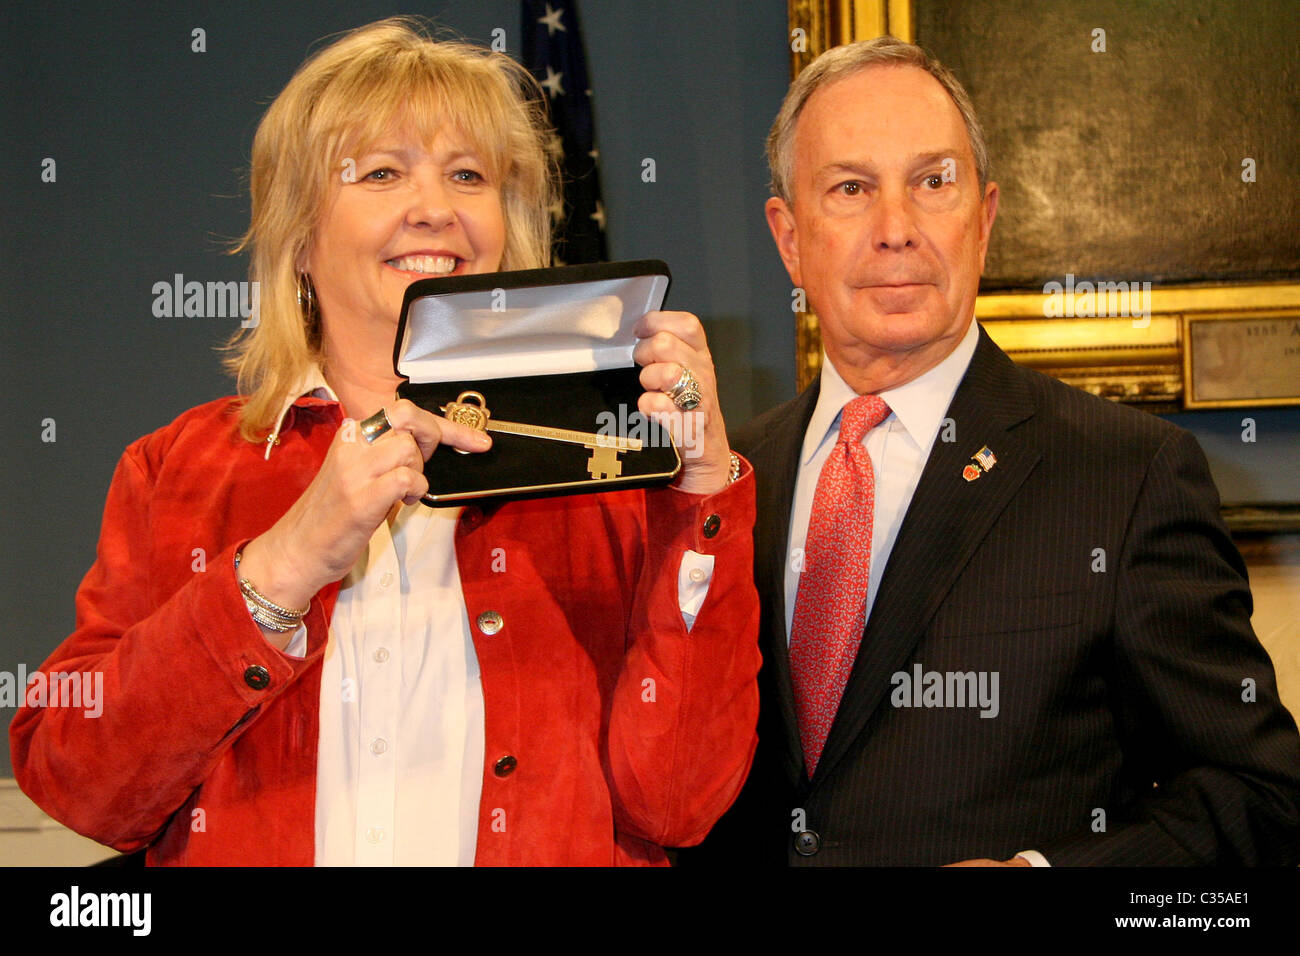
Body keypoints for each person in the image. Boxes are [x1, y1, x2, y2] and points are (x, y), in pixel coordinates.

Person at [9, 18, 760, 866]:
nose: (435, 208)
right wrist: (286, 563)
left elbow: (677, 807)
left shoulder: (607, 472)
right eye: (382, 173)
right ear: (298, 235)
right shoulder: (176, 471)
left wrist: (701, 490)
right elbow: (77, 782)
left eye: (468, 175)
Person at [691, 37, 1300, 865]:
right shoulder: (727, 481)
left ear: (985, 218)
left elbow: (1262, 800)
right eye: (851, 188)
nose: (896, 230)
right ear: (790, 237)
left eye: (932, 183)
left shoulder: (1125, 477)